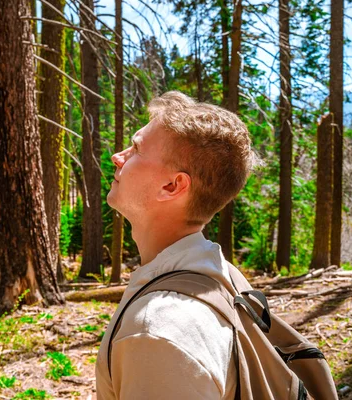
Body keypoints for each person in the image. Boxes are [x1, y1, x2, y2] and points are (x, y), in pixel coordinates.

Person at [95, 91, 256, 399]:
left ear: (172, 186)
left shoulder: (158, 332)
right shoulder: (223, 276)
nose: (118, 157)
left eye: (136, 148)